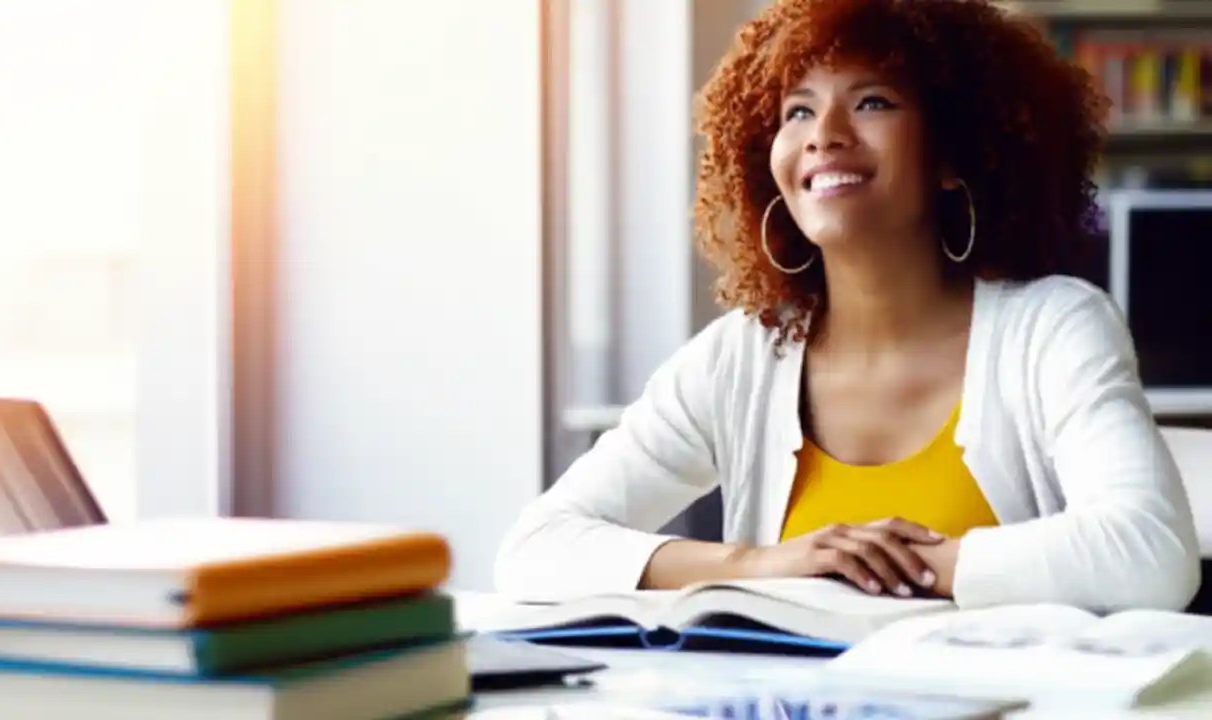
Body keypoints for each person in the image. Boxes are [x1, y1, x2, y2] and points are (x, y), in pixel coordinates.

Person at [495, 0, 1200, 612]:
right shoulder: (742, 356)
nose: (822, 133)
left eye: (872, 102)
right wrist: (767, 566)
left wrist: (887, 568)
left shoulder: (1053, 328)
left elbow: (1149, 555)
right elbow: (534, 550)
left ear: (955, 153)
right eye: (797, 109)